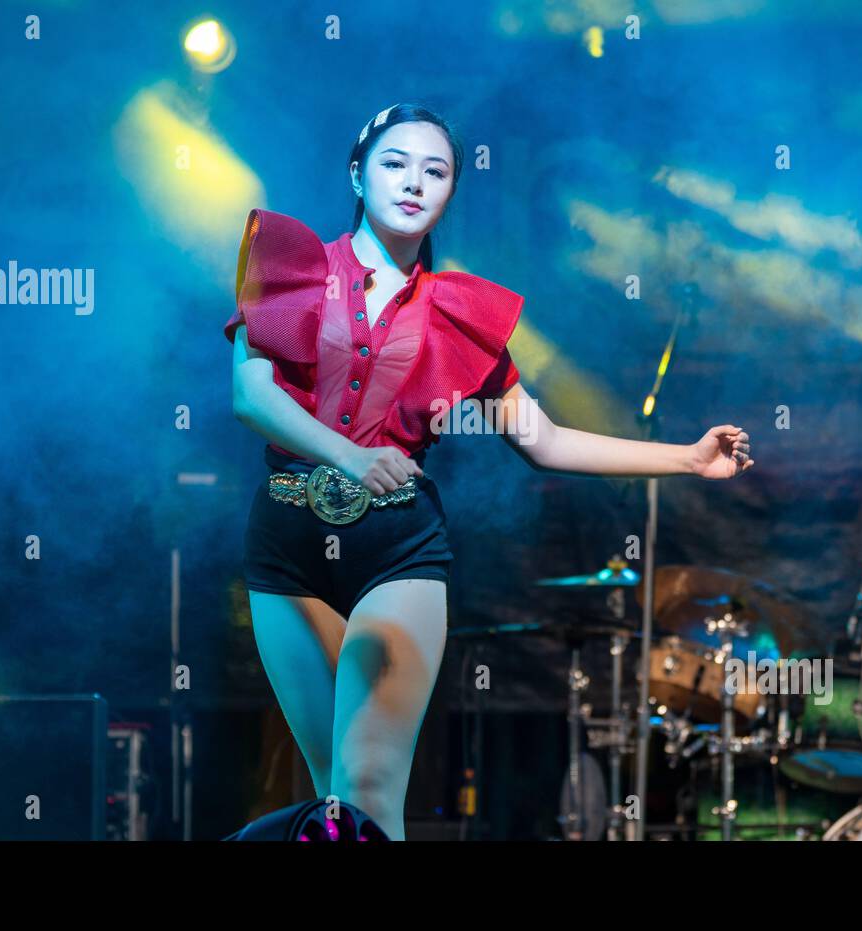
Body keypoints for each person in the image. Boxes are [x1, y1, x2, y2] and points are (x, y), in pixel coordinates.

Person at [225, 102, 753, 840]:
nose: (414, 182)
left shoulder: (458, 311)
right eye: (394, 163)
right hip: (285, 544)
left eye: (435, 171)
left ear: (450, 192)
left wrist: (687, 458)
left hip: (396, 549)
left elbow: (544, 440)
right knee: (334, 809)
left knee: (371, 790)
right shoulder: (289, 265)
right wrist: (347, 455)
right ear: (357, 172)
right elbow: (249, 397)